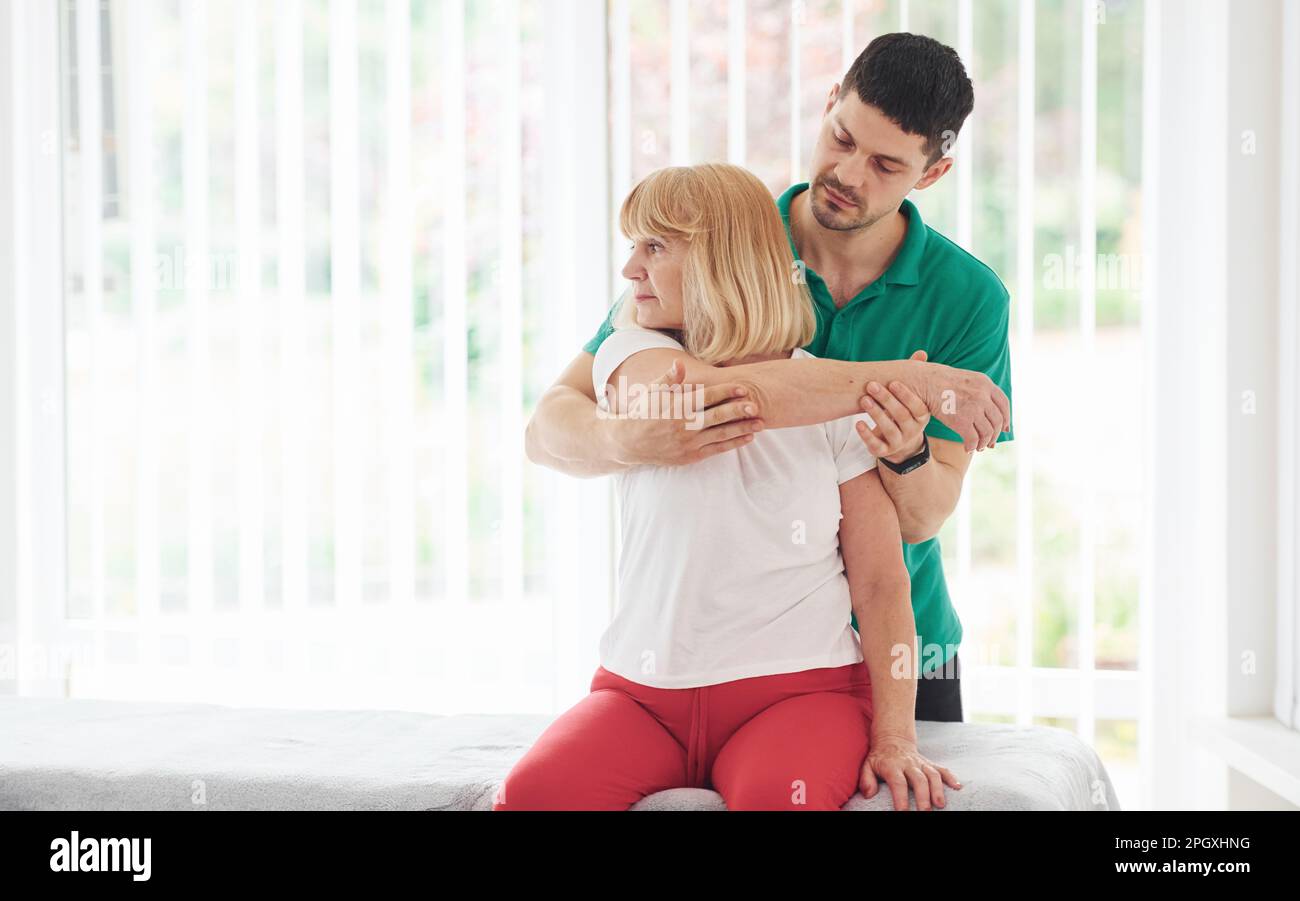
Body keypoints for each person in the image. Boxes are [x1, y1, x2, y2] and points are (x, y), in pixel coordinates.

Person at [525, 33, 1014, 723]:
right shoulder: (724, 244)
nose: (848, 173)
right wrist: (633, 440)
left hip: (905, 652)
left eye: (884, 165)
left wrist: (905, 452)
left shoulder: (970, 299)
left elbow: (926, 514)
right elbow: (549, 427)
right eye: (841, 138)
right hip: (737, 665)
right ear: (826, 107)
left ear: (930, 175)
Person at [496, 163, 960, 811]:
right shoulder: (628, 355)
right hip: (640, 696)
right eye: (632, 246)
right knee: (533, 794)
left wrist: (895, 737)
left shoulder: (836, 407)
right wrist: (909, 382)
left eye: (654, 247)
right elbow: (701, 396)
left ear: (723, 260)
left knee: (780, 799)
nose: (631, 269)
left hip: (800, 693)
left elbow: (882, 584)